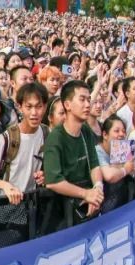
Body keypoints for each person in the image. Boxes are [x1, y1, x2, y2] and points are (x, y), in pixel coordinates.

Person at [43, 80, 107, 230]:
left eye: (88, 100)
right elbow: (53, 182)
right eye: (82, 99)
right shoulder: (56, 138)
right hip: (64, 214)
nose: (87, 105)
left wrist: (97, 189)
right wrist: (86, 194)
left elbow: (94, 164)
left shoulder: (85, 131)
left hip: (88, 203)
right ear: (67, 105)